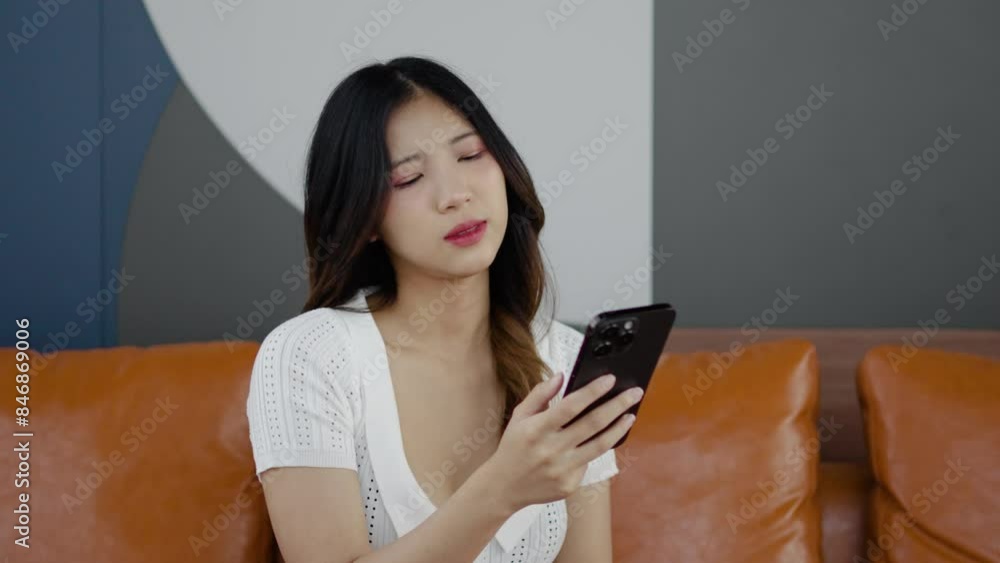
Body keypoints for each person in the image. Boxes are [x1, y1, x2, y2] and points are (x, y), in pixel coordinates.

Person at [245, 55, 643, 563]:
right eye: (408, 179)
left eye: (472, 155)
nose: (455, 195)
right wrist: (499, 490)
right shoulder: (310, 357)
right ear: (363, 217)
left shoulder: (564, 362)